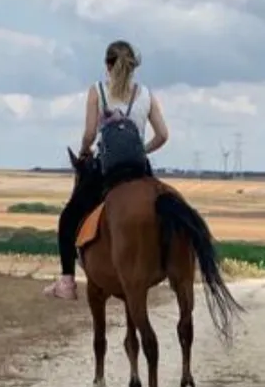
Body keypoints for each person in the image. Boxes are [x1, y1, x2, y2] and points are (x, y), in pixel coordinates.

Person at [43, 40, 170, 301]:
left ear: (107, 65)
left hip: (107, 171)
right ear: (133, 67)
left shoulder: (97, 91)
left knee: (68, 218)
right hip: (139, 169)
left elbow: (90, 133)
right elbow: (163, 135)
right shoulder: (146, 95)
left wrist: (84, 150)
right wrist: (141, 150)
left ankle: (67, 281)